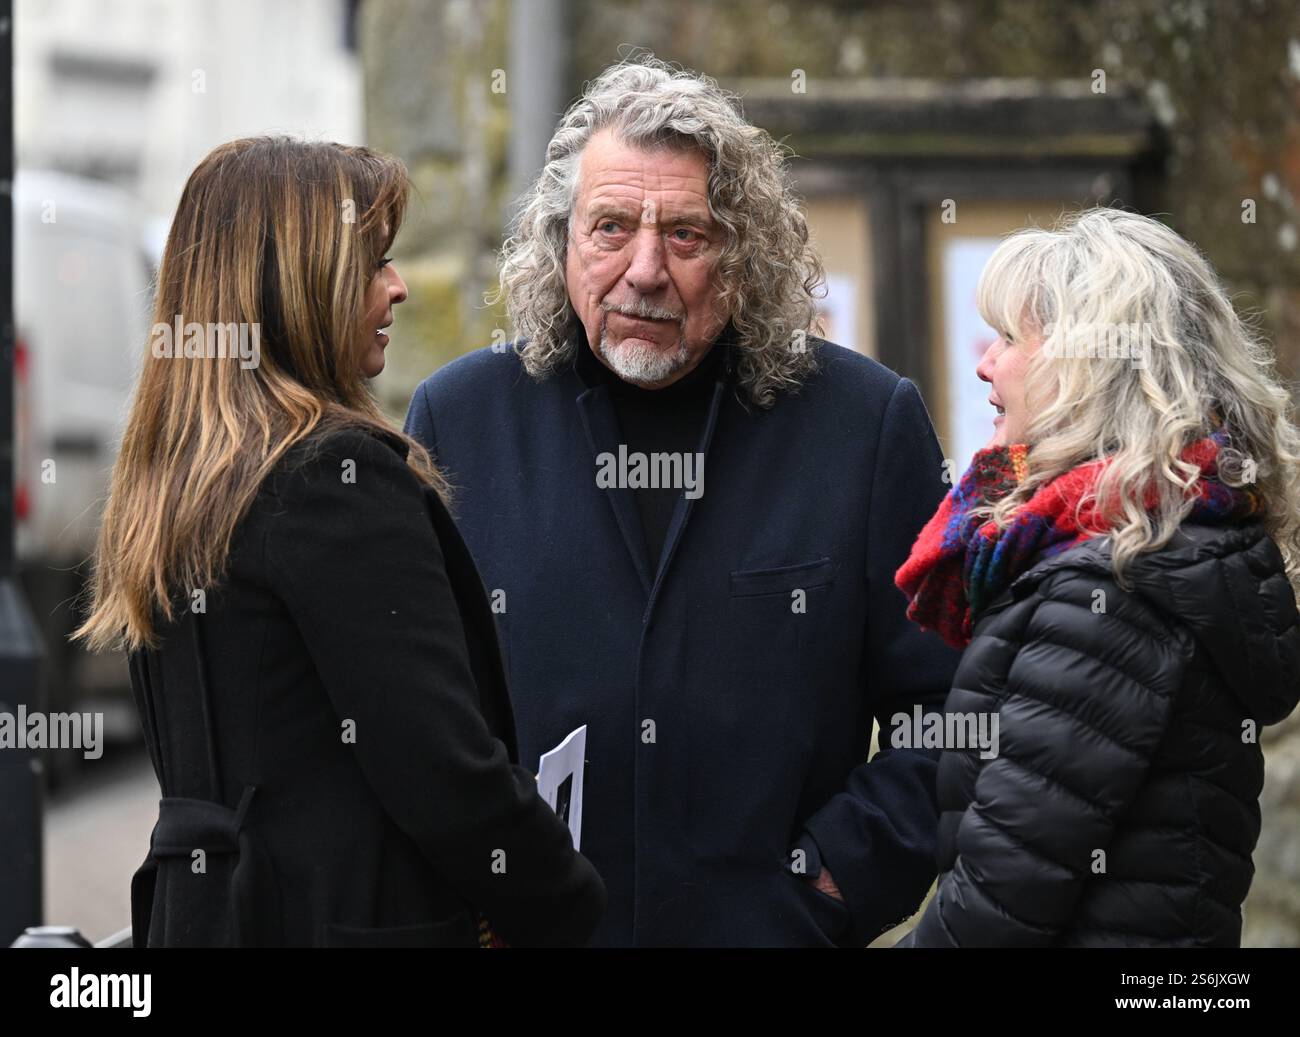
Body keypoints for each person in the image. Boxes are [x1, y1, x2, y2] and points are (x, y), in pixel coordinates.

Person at [405, 57, 959, 947]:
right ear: (562, 243)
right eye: (611, 228)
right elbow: (419, 717)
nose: (645, 270)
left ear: (745, 254)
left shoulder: (863, 425)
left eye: (688, 235)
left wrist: (826, 887)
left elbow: (947, 711)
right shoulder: (461, 418)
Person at [75, 136, 605, 947]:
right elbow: (443, 770)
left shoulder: (174, 483)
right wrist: (565, 897)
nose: (396, 289)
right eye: (373, 263)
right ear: (296, 288)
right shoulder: (333, 479)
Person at [895, 207, 1300, 947]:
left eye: (1010, 339)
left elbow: (998, 900)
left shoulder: (1113, 584)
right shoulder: (1158, 539)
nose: (985, 362)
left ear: (1089, 367)